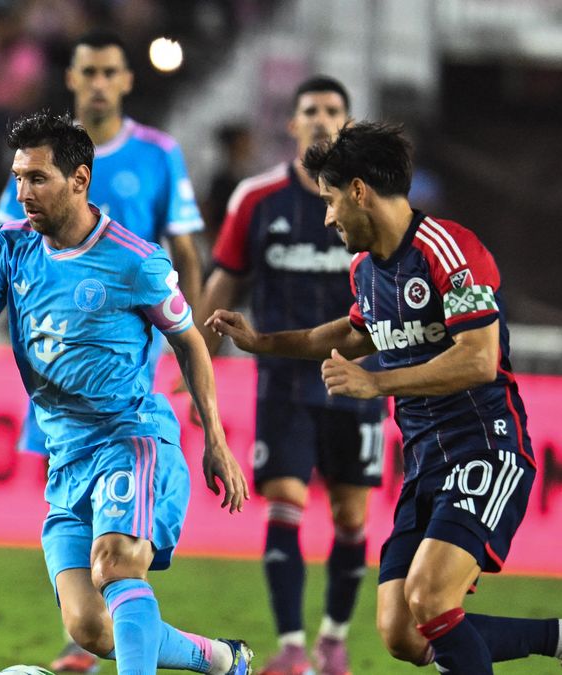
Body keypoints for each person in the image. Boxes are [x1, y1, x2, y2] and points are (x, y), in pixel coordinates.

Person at [206, 121, 562, 675]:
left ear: (357, 191)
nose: (327, 218)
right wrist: (260, 341)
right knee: (403, 633)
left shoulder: (449, 250)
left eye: (329, 201)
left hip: (485, 449)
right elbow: (350, 334)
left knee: (429, 598)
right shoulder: (365, 271)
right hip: (425, 465)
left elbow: (478, 358)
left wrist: (377, 383)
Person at [0, 111, 252, 675]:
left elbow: (191, 344)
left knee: (118, 562)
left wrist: (216, 440)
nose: (22, 192)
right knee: (88, 627)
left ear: (79, 179)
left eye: (38, 178)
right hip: (67, 457)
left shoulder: (136, 260)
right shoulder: (11, 247)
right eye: (18, 177)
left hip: (132, 438)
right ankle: (221, 659)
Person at [0, 33, 205, 671]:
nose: (97, 82)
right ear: (72, 77)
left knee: (116, 556)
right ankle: (174, 649)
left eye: (108, 72)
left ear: (125, 80)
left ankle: (107, 608)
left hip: (125, 365)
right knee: (84, 561)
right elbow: (4, 261)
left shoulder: (157, 154)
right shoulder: (30, 187)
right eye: (87, 71)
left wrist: (196, 344)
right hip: (52, 374)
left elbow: (183, 251)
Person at [196, 76, 382, 675]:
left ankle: (334, 638)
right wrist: (194, 352)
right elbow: (224, 280)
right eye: (312, 110)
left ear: (348, 125)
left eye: (334, 109)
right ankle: (295, 649)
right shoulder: (257, 199)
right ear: (293, 125)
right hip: (282, 381)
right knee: (284, 501)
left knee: (352, 516)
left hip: (357, 378)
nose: (323, 118)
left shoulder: (371, 198)